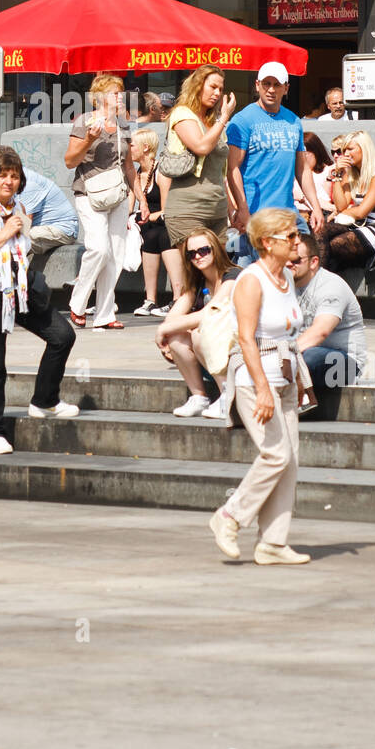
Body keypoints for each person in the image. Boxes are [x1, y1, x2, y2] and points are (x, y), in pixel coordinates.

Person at [0, 147, 78, 453]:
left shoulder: (20, 206)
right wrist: (4, 234)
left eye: (14, 176)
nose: (8, 181)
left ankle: (45, 400)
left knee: (62, 335)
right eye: (3, 175)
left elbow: (22, 248)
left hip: (19, 288)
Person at [208, 208, 311, 566]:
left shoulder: (285, 276)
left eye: (298, 236)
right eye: (291, 237)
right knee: (276, 455)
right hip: (256, 380)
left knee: (291, 462)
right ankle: (229, 516)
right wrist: (264, 388)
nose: (298, 243)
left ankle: (273, 543)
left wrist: (296, 380)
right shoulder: (251, 280)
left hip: (284, 376)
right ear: (267, 243)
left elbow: (290, 334)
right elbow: (247, 339)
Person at [66, 74, 146, 330]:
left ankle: (105, 314)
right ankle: (78, 304)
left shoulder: (123, 126)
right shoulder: (84, 122)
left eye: (120, 93)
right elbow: (69, 161)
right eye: (115, 93)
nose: (120, 97)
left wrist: (141, 199)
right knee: (99, 249)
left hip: (118, 195)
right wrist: (89, 139)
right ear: (100, 97)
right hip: (90, 193)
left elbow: (129, 167)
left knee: (116, 255)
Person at [227, 62, 323, 263]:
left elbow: (303, 168)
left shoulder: (293, 121)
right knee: (261, 279)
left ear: (286, 88)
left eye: (276, 84)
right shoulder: (242, 120)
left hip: (288, 213)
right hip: (256, 215)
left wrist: (316, 206)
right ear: (257, 85)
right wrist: (242, 210)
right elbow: (232, 168)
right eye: (266, 83)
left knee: (306, 265)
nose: (271, 89)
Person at [287, 232, 367, 421]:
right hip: (301, 355)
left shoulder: (330, 286)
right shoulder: (284, 285)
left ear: (313, 262)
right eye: (286, 260)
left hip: (344, 364)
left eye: (296, 260)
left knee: (308, 356)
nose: (289, 265)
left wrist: (284, 352)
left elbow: (320, 332)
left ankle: (300, 398)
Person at [157, 227, 235, 416]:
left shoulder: (232, 276)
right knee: (176, 337)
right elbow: (173, 318)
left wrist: (163, 329)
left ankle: (228, 396)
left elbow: (209, 314)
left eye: (204, 250)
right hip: (210, 356)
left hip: (237, 350)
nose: (198, 256)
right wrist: (167, 329)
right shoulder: (196, 283)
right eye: (192, 254)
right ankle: (199, 397)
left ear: (216, 249)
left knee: (201, 332)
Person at [162, 64, 236, 247]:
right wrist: (223, 118)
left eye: (221, 89)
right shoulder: (182, 113)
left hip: (217, 211)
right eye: (212, 87)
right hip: (188, 211)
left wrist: (234, 209)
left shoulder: (215, 122)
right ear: (198, 85)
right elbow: (201, 147)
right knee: (195, 270)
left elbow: (222, 173)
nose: (217, 93)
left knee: (217, 272)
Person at [317, 130, 375, 274]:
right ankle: (316, 287)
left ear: (364, 149)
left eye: (350, 149)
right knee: (319, 231)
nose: (345, 154)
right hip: (358, 225)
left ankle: (318, 285)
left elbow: (361, 212)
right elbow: (341, 205)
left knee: (334, 245)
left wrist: (342, 212)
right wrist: (337, 175)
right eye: (343, 150)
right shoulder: (351, 173)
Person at [129, 129, 183, 316]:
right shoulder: (134, 173)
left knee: (162, 235)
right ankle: (150, 300)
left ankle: (178, 298)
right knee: (150, 235)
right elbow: (130, 207)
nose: (129, 149)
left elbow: (166, 210)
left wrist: (148, 216)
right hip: (144, 224)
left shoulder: (161, 172)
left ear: (145, 148)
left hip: (162, 221)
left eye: (132, 145)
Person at [22, 166, 78, 255]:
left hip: (61, 229)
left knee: (16, 242)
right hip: (40, 227)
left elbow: (25, 225)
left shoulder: (28, 183)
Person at [293, 132, 335, 219]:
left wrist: (303, 198)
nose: (300, 158)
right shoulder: (292, 173)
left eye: (304, 154)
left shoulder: (328, 171)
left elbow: (327, 203)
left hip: (314, 216)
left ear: (316, 152)